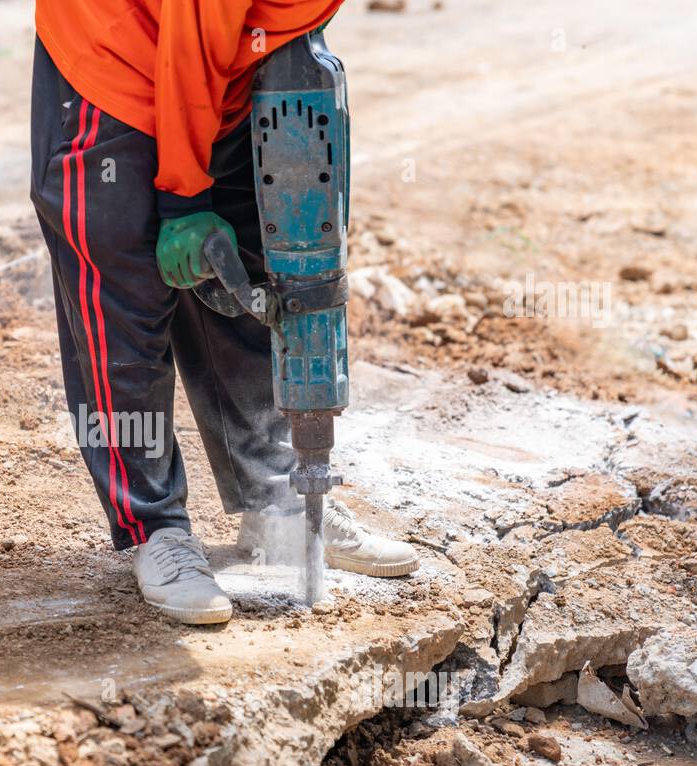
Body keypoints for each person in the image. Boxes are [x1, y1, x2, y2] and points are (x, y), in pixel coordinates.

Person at [30, 0, 418, 625]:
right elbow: (189, 34)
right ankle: (155, 528)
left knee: (244, 268)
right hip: (115, 60)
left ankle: (281, 501)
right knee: (121, 300)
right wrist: (183, 195)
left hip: (224, 66)